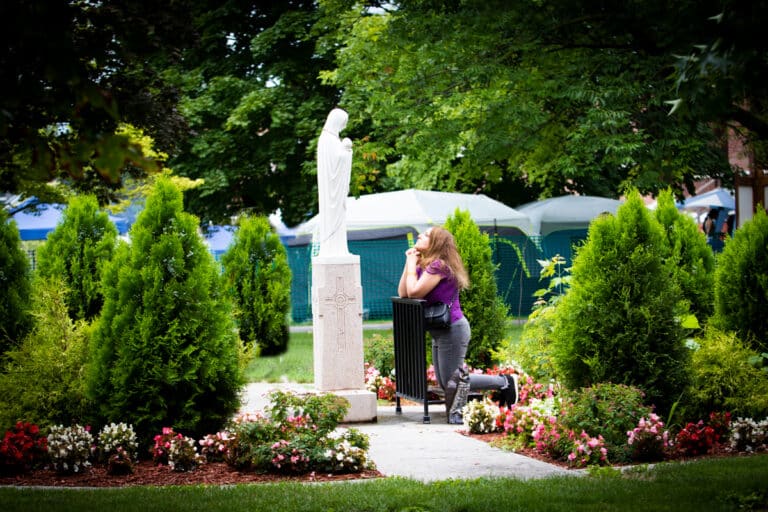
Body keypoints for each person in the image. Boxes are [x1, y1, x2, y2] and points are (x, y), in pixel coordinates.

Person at [397, 226, 518, 424]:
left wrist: (412, 265)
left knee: (452, 381)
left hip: (453, 329)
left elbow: (414, 293)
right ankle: (501, 382)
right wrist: (409, 263)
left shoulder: (439, 266)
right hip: (440, 332)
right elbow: (403, 292)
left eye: (426, 235)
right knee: (446, 383)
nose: (419, 235)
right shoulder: (426, 265)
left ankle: (504, 381)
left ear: (436, 243)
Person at [316, 107, 353, 257]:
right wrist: (346, 151)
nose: (343, 127)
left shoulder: (331, 139)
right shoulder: (328, 139)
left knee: (340, 221)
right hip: (332, 191)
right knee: (334, 219)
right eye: (343, 123)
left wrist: (346, 150)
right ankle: (333, 250)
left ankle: (340, 249)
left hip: (336, 191)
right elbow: (334, 165)